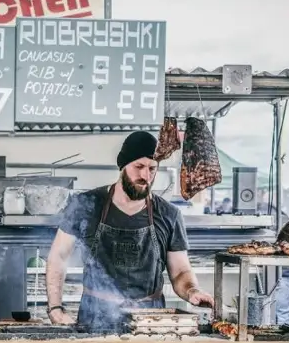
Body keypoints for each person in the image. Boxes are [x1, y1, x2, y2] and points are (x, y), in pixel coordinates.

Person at [45, 131, 214, 331]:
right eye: (139, 166)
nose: (145, 176)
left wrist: (191, 290)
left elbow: (180, 272)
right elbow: (58, 256)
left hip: (151, 322)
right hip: (96, 317)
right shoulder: (85, 205)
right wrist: (55, 308)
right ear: (123, 166)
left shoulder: (169, 214)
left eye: (152, 168)